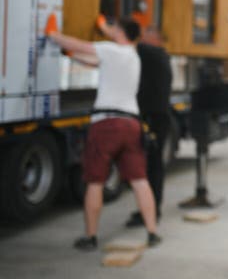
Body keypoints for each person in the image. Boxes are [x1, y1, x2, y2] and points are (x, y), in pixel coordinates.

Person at [48, 17, 162, 250]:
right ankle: (152, 233)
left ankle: (90, 237)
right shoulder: (132, 57)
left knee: (96, 181)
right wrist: (69, 54)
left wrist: (53, 35)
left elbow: (81, 46)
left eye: (113, 27)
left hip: (107, 124)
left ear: (120, 31)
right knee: (139, 180)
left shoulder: (111, 50)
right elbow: (91, 61)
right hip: (131, 124)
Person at [116, 26, 173, 228]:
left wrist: (109, 29)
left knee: (151, 168)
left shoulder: (155, 54)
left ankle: (150, 211)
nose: (142, 39)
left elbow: (130, 43)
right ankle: (150, 209)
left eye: (146, 36)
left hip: (155, 120)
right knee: (151, 167)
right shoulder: (158, 57)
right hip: (155, 118)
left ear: (157, 39)